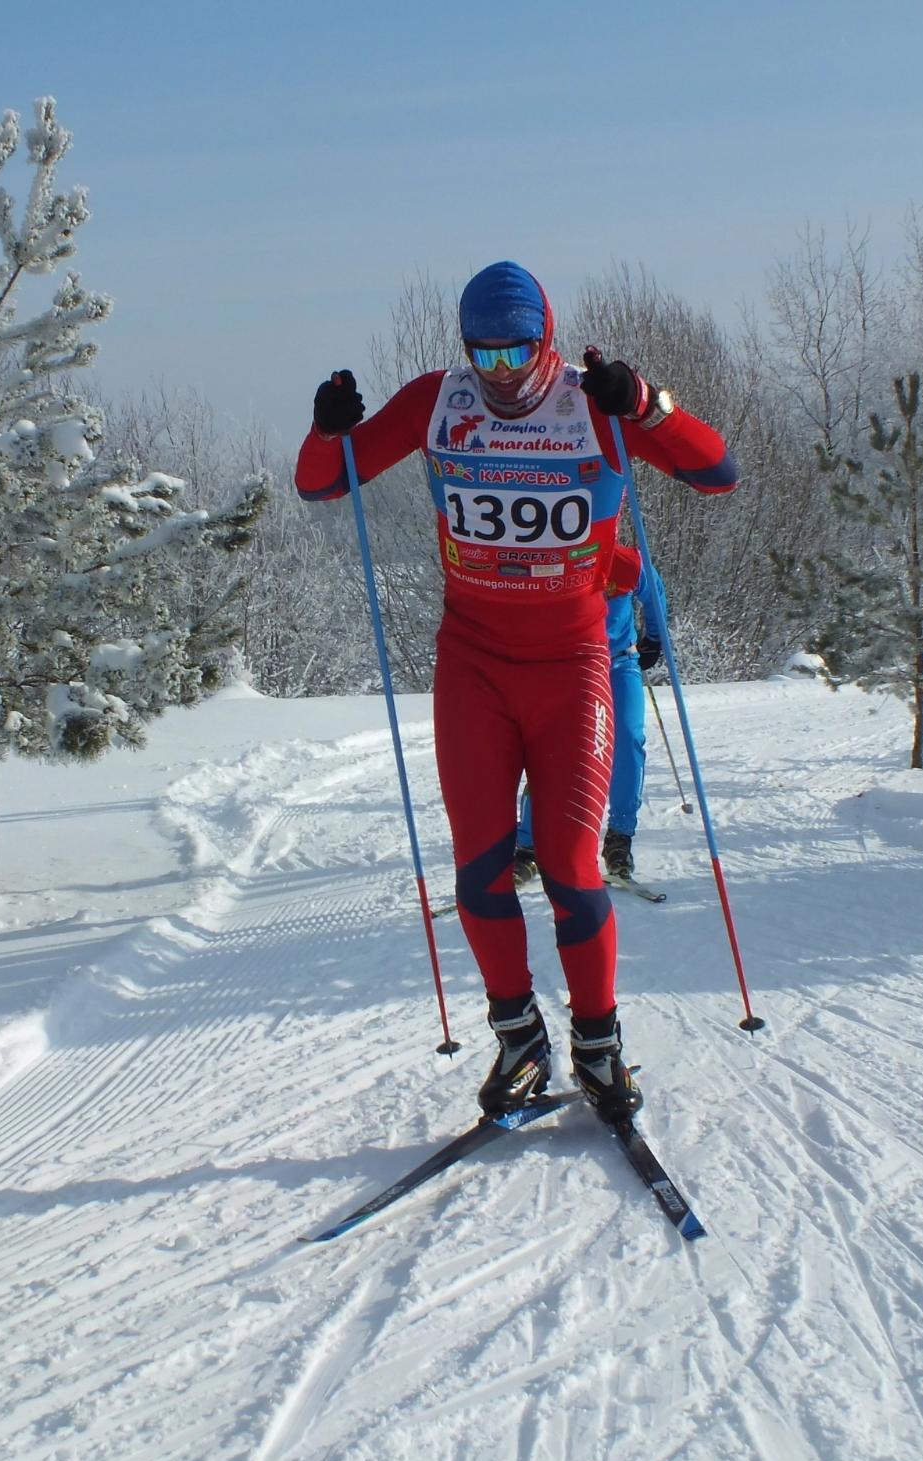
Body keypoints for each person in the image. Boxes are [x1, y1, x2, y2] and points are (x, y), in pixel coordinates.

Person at [294, 261, 736, 1122]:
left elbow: (717, 472)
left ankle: (600, 1048)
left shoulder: (591, 403)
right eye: (484, 354)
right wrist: (327, 429)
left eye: (517, 352)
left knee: (573, 860)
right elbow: (322, 483)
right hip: (474, 669)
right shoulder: (438, 401)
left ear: (548, 336)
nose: (500, 373)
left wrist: (648, 404)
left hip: (573, 667)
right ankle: (520, 1038)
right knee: (480, 870)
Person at [514, 543, 668, 888]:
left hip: (618, 662)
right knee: (549, 749)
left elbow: (654, 592)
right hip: (567, 666)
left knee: (627, 740)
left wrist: (654, 639)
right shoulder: (552, 554)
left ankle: (619, 839)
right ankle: (528, 846)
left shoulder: (625, 561)